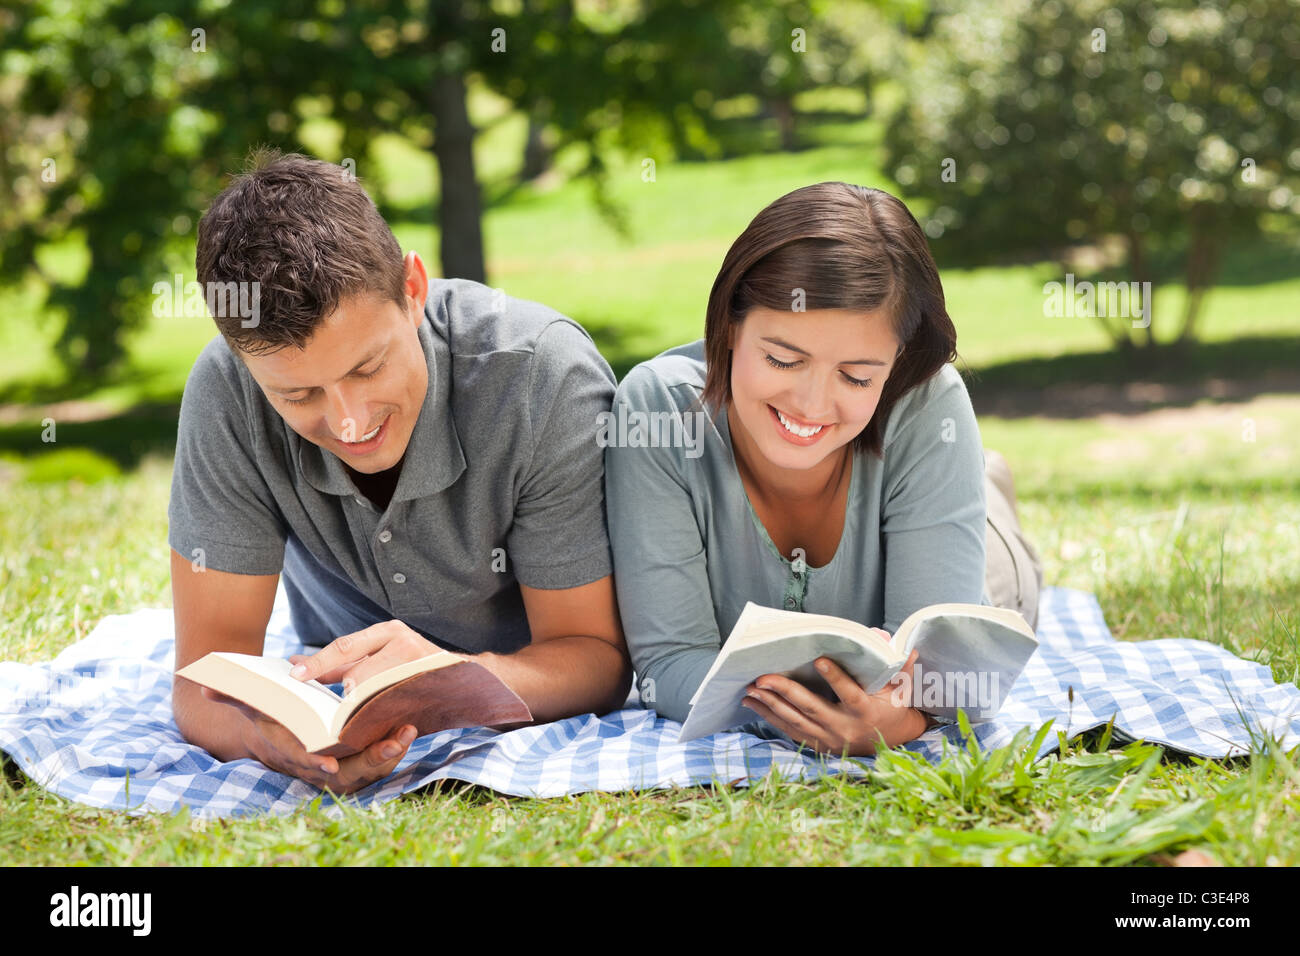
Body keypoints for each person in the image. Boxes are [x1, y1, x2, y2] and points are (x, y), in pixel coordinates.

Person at [169, 149, 630, 793]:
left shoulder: (540, 376)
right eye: (298, 396)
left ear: (412, 289)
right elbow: (203, 679)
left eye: (367, 368)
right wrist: (266, 743)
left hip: (525, 675)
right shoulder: (226, 390)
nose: (349, 421)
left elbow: (598, 661)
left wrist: (449, 677)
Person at [603, 181, 1043, 758]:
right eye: (783, 359)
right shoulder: (658, 411)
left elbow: (945, 672)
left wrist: (904, 723)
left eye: (858, 377)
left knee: (1000, 582)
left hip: (985, 571)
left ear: (898, 363)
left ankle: (984, 488)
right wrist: (809, 721)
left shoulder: (928, 404)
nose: (811, 405)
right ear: (730, 326)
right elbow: (668, 664)